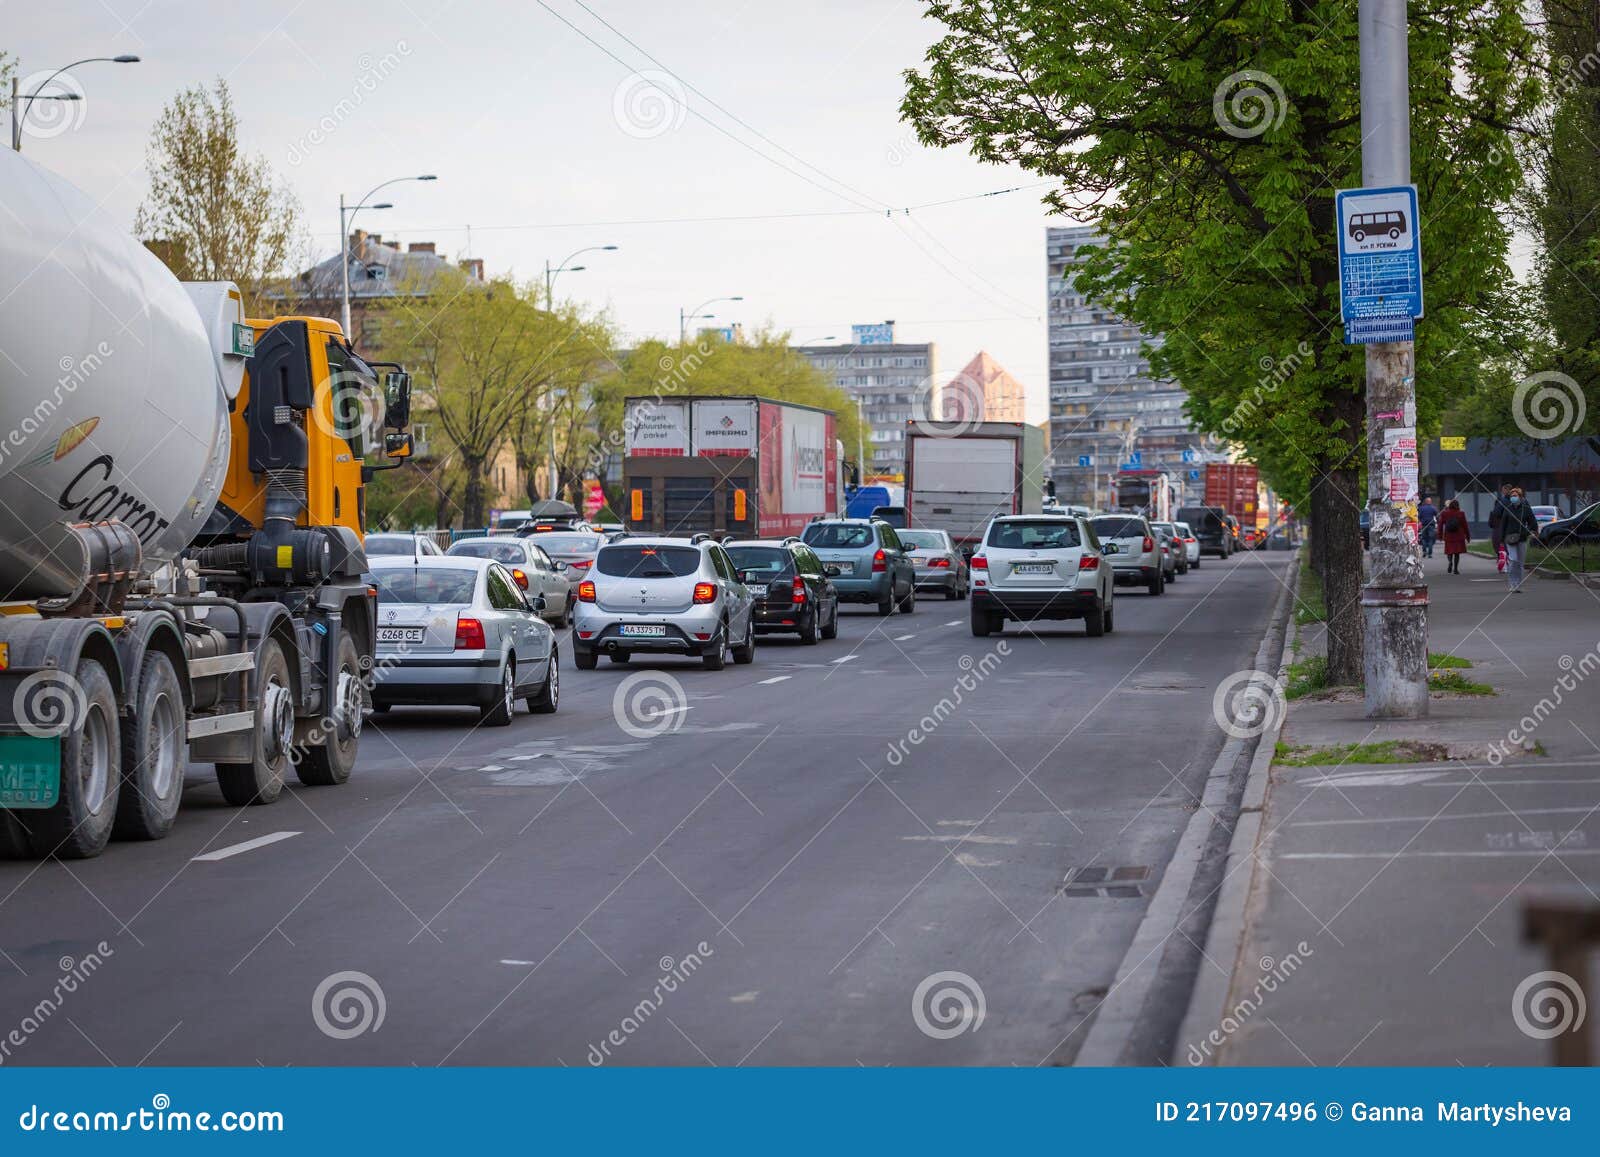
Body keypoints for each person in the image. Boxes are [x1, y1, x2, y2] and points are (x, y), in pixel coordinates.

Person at [1500, 487, 1538, 593]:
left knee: (1520, 563)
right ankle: (1512, 584)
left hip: (1522, 539)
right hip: (1510, 538)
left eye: (1515, 496)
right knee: (1513, 560)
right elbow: (1503, 524)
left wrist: (1529, 531)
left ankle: (1518, 584)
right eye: (1511, 496)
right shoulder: (1507, 508)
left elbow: (1533, 523)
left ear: (1520, 497)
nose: (1513, 498)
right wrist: (1501, 539)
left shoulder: (1526, 509)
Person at [1439, 498, 1470, 574]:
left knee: (1449, 551)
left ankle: (1450, 562)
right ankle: (1456, 569)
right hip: (1459, 536)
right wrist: (1468, 536)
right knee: (1457, 553)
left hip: (1449, 536)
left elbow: (1440, 525)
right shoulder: (1461, 513)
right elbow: (1465, 525)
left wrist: (1440, 535)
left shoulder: (1444, 513)